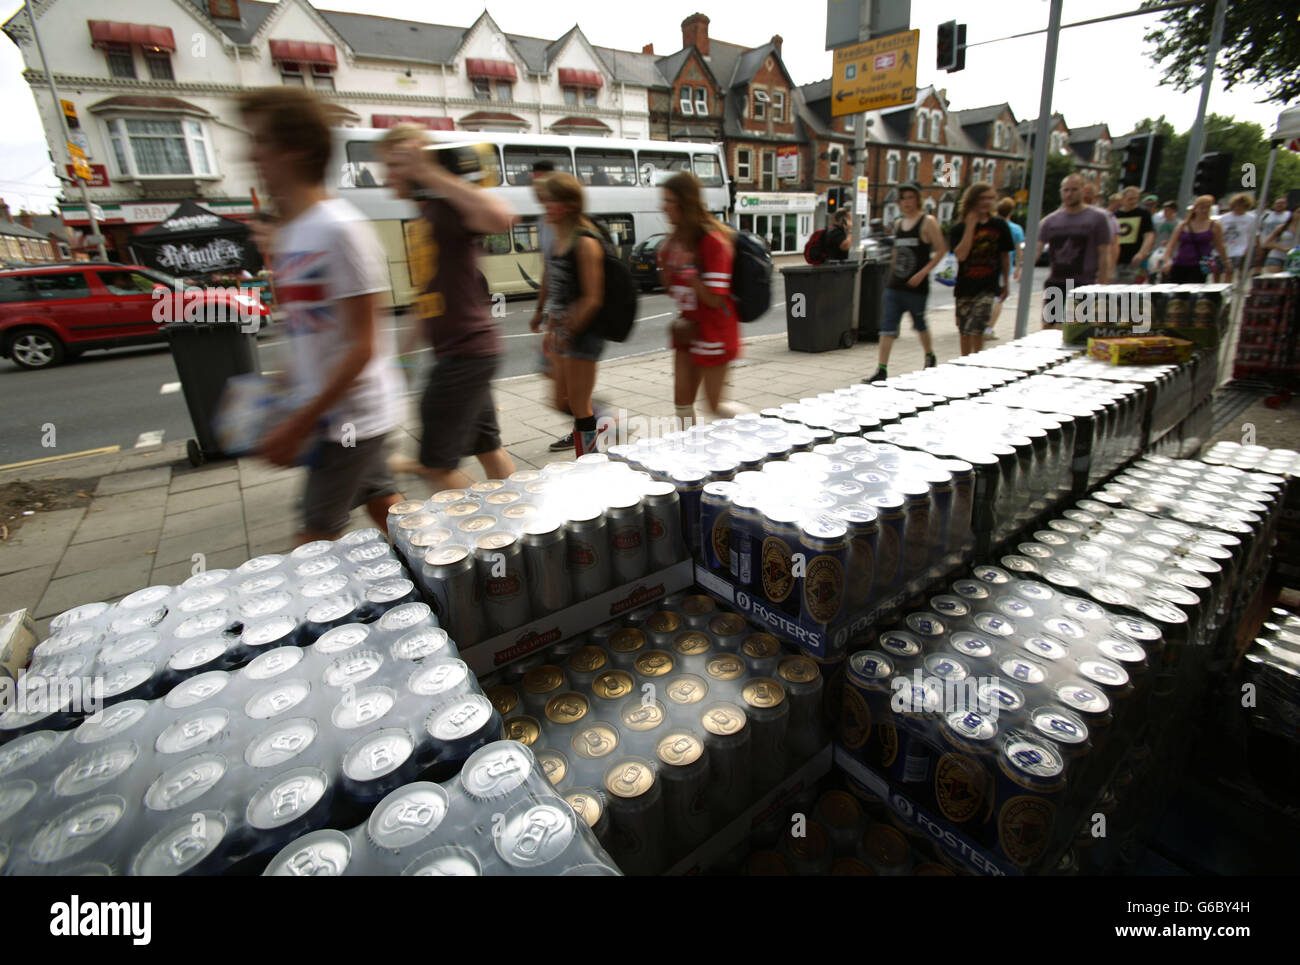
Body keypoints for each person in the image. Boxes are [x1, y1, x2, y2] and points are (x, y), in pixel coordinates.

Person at [239, 87, 404, 543]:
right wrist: (280, 387)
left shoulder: (340, 229)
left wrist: (300, 422)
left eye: (261, 141)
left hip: (349, 420)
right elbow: (311, 332)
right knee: (389, 511)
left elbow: (362, 347)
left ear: (296, 151)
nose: (250, 154)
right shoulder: (292, 233)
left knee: (311, 542)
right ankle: (447, 585)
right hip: (335, 414)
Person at [380, 123, 516, 489]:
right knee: (488, 447)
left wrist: (430, 172)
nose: (387, 174)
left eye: (396, 163)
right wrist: (402, 359)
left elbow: (500, 218)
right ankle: (527, 524)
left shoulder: (445, 205)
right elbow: (426, 299)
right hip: (464, 353)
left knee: (436, 466)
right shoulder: (424, 219)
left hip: (466, 353)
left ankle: (490, 530)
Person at [528, 173, 606, 455]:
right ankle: (600, 438)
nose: (545, 206)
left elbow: (592, 298)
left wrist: (567, 333)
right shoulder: (559, 239)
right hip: (563, 331)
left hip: (583, 335)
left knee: (578, 404)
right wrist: (546, 319)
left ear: (570, 204)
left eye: (552, 200)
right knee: (563, 402)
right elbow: (555, 284)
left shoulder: (585, 242)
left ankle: (590, 463)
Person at [658, 171, 742, 427]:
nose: (663, 207)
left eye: (669, 201)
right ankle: (691, 456)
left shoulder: (713, 242)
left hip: (714, 331)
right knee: (682, 404)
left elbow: (715, 299)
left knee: (714, 405)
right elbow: (671, 290)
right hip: (688, 331)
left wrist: (690, 274)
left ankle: (757, 426)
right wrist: (666, 266)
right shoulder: (674, 242)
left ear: (685, 203)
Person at [865, 181, 945, 382]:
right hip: (895, 285)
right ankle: (881, 369)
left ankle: (930, 355)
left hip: (917, 286)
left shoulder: (927, 222)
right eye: (903, 198)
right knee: (887, 327)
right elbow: (896, 251)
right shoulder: (899, 223)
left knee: (919, 324)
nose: (907, 202)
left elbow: (941, 250)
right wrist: (891, 273)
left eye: (911, 197)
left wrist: (923, 273)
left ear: (917, 199)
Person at [528, 160, 578, 453]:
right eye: (534, 183)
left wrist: (568, 322)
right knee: (552, 377)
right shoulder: (544, 222)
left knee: (562, 392)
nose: (537, 189)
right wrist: (540, 311)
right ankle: (592, 418)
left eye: (543, 182)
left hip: (569, 320)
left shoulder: (572, 227)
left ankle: (594, 420)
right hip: (556, 316)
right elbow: (549, 270)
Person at [1036, 173, 1115, 328]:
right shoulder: (1050, 221)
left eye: (1074, 190)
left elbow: (1104, 253)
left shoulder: (1098, 218)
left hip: (1084, 282)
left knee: (1075, 329)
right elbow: (1037, 249)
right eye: (1065, 190)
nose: (1069, 194)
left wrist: (1104, 286)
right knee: (1048, 328)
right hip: (1057, 282)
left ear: (1083, 190)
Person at [948, 182, 1013, 356]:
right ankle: (964, 362)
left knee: (976, 327)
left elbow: (1004, 256)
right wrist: (970, 226)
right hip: (965, 286)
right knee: (964, 330)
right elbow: (960, 255)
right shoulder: (959, 228)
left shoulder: (999, 225)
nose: (986, 202)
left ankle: (977, 361)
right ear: (973, 200)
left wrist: (1006, 283)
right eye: (982, 198)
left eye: (990, 198)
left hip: (988, 286)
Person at [1160, 194, 1233, 284]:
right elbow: (1171, 245)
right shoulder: (1183, 225)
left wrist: (1226, 261)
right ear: (1195, 209)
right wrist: (1167, 261)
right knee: (1178, 291)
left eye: (1208, 208)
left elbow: (1220, 245)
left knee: (1198, 289)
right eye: (1202, 208)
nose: (1205, 210)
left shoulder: (1214, 225)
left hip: (1204, 262)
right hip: (1181, 261)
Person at [986, 196, 1024, 337]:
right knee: (998, 298)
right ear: (1011, 211)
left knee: (987, 296)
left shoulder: (990, 223)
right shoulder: (1016, 229)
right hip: (1004, 267)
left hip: (988, 265)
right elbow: (1019, 250)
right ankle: (988, 329)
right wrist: (1018, 268)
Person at [1113, 186, 1155, 285]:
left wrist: (1141, 253)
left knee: (1128, 292)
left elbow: (1149, 235)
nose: (1133, 201)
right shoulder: (1115, 215)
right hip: (1116, 259)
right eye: (1130, 199)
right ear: (1123, 199)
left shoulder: (1143, 214)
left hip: (1133, 259)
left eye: (1136, 198)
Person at [1215, 193, 1256, 280]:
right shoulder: (1223, 218)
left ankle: (1226, 289)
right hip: (1222, 248)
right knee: (1216, 272)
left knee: (1229, 271)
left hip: (1238, 250)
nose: (1238, 208)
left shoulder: (1251, 219)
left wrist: (1249, 249)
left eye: (1241, 206)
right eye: (1236, 206)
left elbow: (1252, 235)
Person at [1255, 195, 1292, 276]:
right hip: (1265, 245)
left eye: (1282, 203)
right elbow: (1258, 231)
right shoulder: (1266, 215)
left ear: (1286, 204)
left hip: (1279, 245)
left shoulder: (1289, 215)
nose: (1279, 205)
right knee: (1258, 268)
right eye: (1278, 203)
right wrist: (1259, 246)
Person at [1261, 209, 1299, 273]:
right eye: (1298, 212)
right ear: (1293, 214)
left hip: (1294, 260)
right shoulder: (1283, 227)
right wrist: (1283, 248)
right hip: (1277, 257)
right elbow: (1266, 243)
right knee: (1277, 280)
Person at [1150, 200, 1180, 280]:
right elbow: (1154, 237)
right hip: (1157, 253)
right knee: (1153, 276)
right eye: (1164, 210)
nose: (1165, 212)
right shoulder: (1158, 224)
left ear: (1174, 211)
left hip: (1172, 254)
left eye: (1168, 210)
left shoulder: (1179, 224)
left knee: (1166, 277)